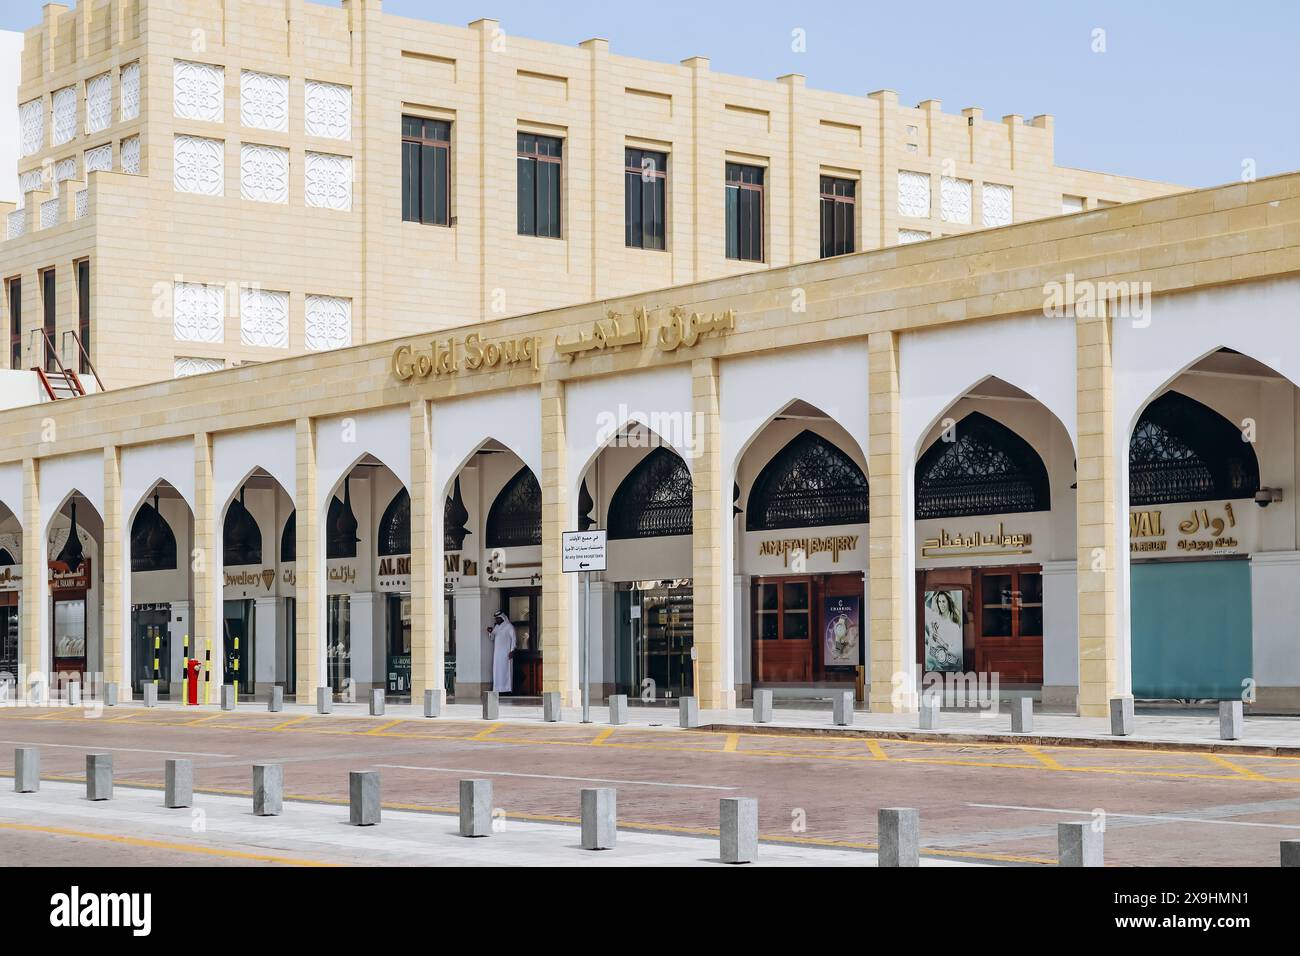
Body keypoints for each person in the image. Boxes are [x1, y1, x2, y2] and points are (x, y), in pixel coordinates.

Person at [485, 610, 517, 694]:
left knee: (506, 671)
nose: (496, 620)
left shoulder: (509, 626)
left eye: (498, 618)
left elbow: (514, 639)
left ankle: (507, 689)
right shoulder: (497, 627)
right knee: (497, 671)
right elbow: (492, 638)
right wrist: (490, 632)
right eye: (496, 619)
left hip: (506, 654)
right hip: (497, 654)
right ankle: (498, 689)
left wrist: (512, 651)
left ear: (503, 618)